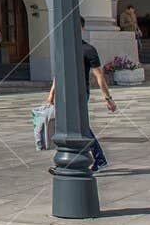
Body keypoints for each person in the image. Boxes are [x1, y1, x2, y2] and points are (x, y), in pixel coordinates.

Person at [45, 29, 115, 171]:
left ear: (80, 29)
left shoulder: (88, 50)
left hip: (80, 93)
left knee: (78, 127)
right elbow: (58, 74)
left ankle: (92, 159)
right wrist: (51, 95)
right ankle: (93, 159)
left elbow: (99, 75)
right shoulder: (64, 49)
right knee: (75, 127)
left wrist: (108, 98)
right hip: (64, 94)